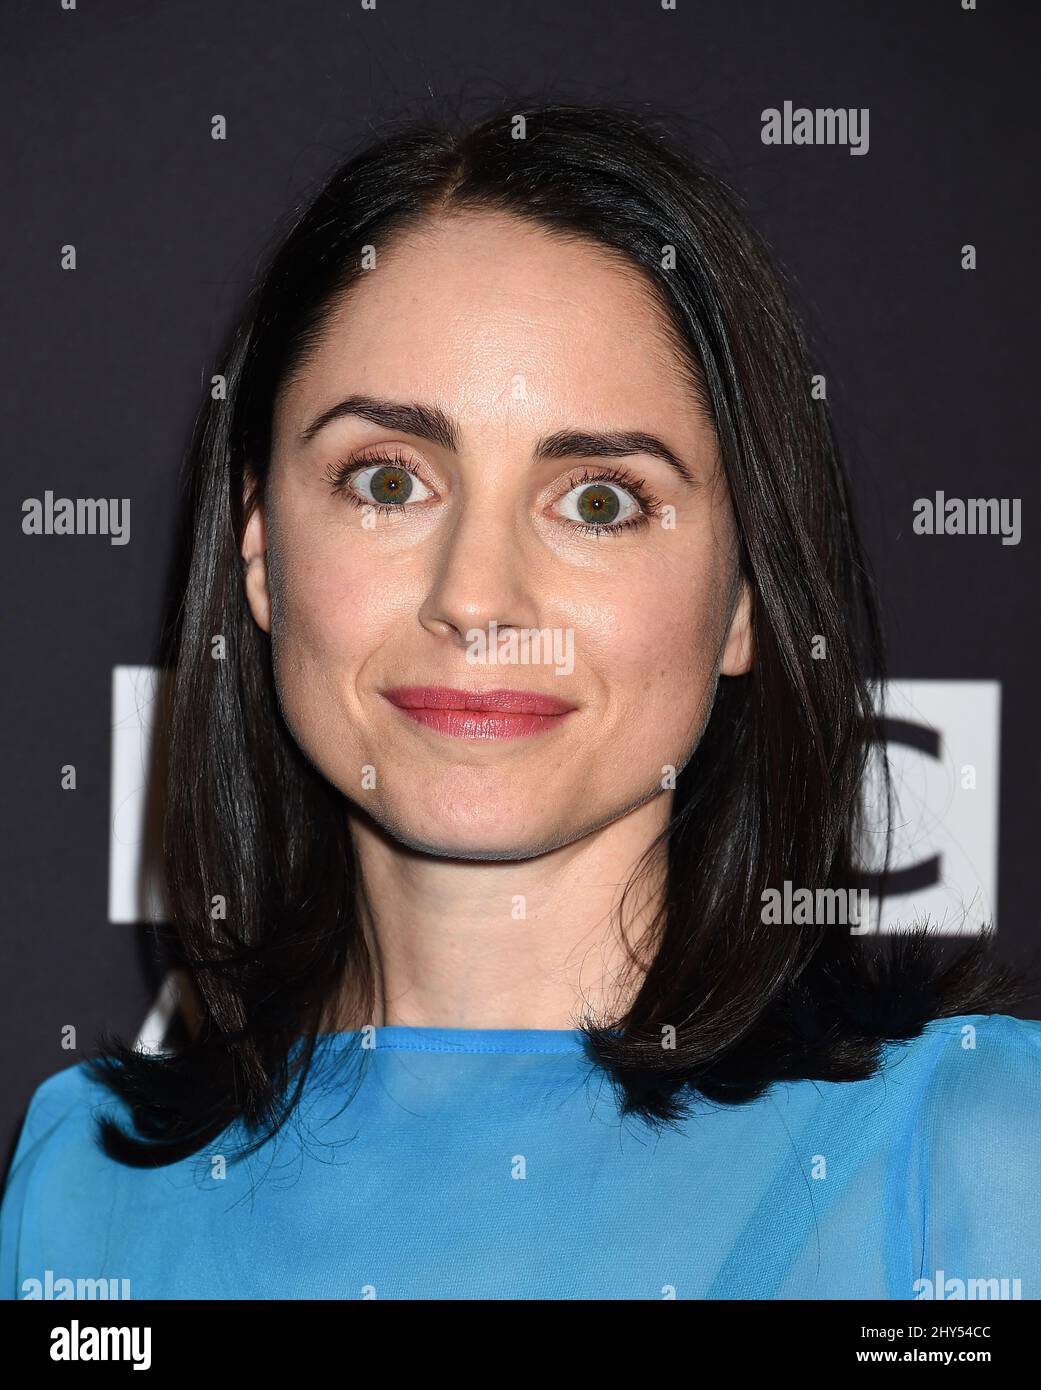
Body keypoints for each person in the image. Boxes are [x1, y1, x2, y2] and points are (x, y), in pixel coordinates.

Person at [2, 100, 1039, 1301]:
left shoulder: (964, 1146)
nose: (480, 599)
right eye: (389, 480)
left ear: (749, 597)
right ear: (258, 554)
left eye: (599, 499)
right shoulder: (85, 1189)